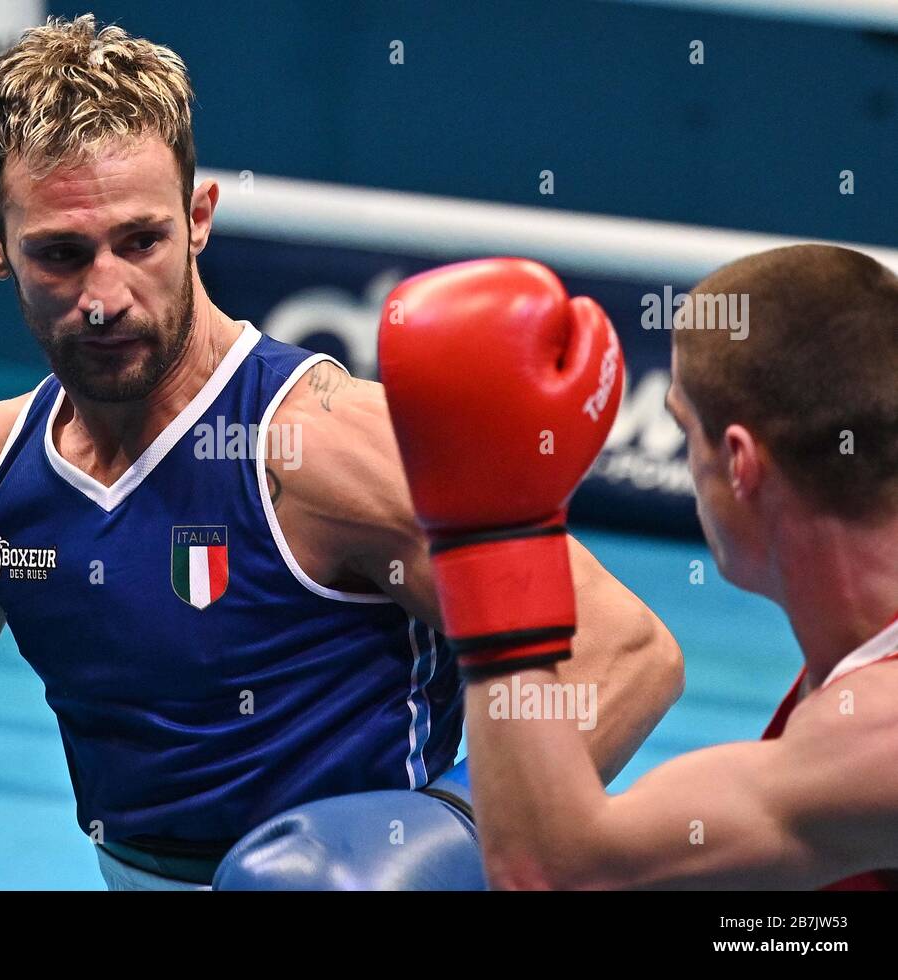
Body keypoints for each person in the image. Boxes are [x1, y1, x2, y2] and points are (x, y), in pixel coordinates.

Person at [0, 14, 681, 891]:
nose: (105, 295)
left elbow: (629, 651)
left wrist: (453, 827)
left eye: (141, 241)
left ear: (198, 218)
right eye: (62, 254)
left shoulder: (317, 444)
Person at [381, 243, 898, 889]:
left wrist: (493, 536)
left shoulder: (874, 741)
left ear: (739, 463)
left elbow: (554, 869)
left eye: (685, 429)